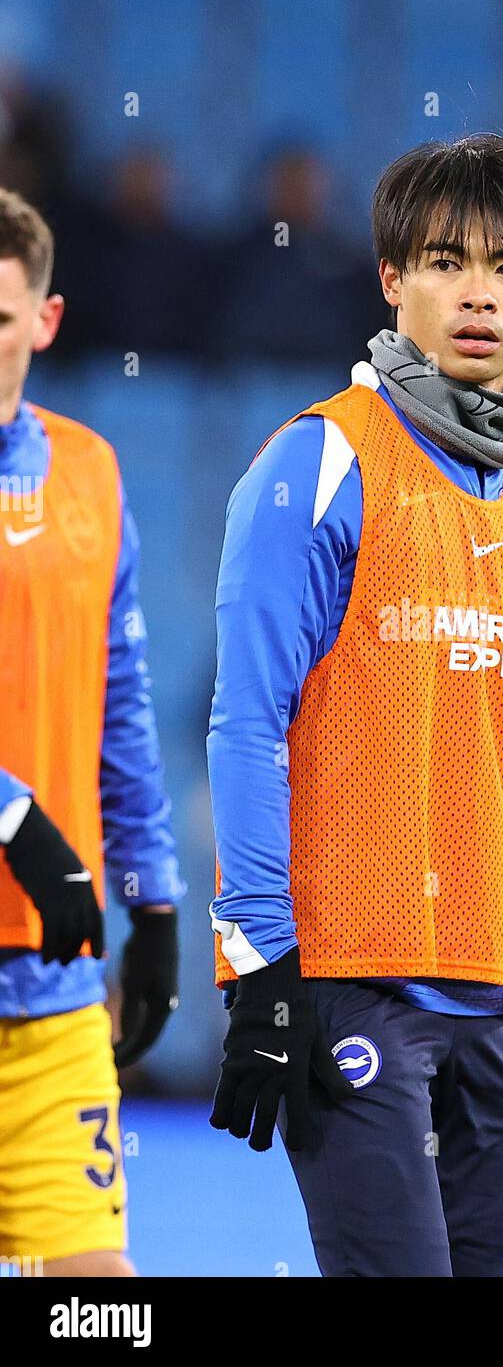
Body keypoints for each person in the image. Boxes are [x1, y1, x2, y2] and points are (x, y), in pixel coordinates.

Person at [207, 133, 503, 1278]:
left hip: (493, 991)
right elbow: (245, 722)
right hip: (352, 983)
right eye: (444, 261)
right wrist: (260, 970)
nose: (477, 292)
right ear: (391, 280)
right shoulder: (320, 461)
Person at [0, 187, 185, 1277]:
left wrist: (156, 902)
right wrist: (16, 814)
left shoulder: (90, 471)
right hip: (39, 892)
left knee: (98, 1307)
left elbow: (121, 699)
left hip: (54, 987)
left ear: (44, 321)